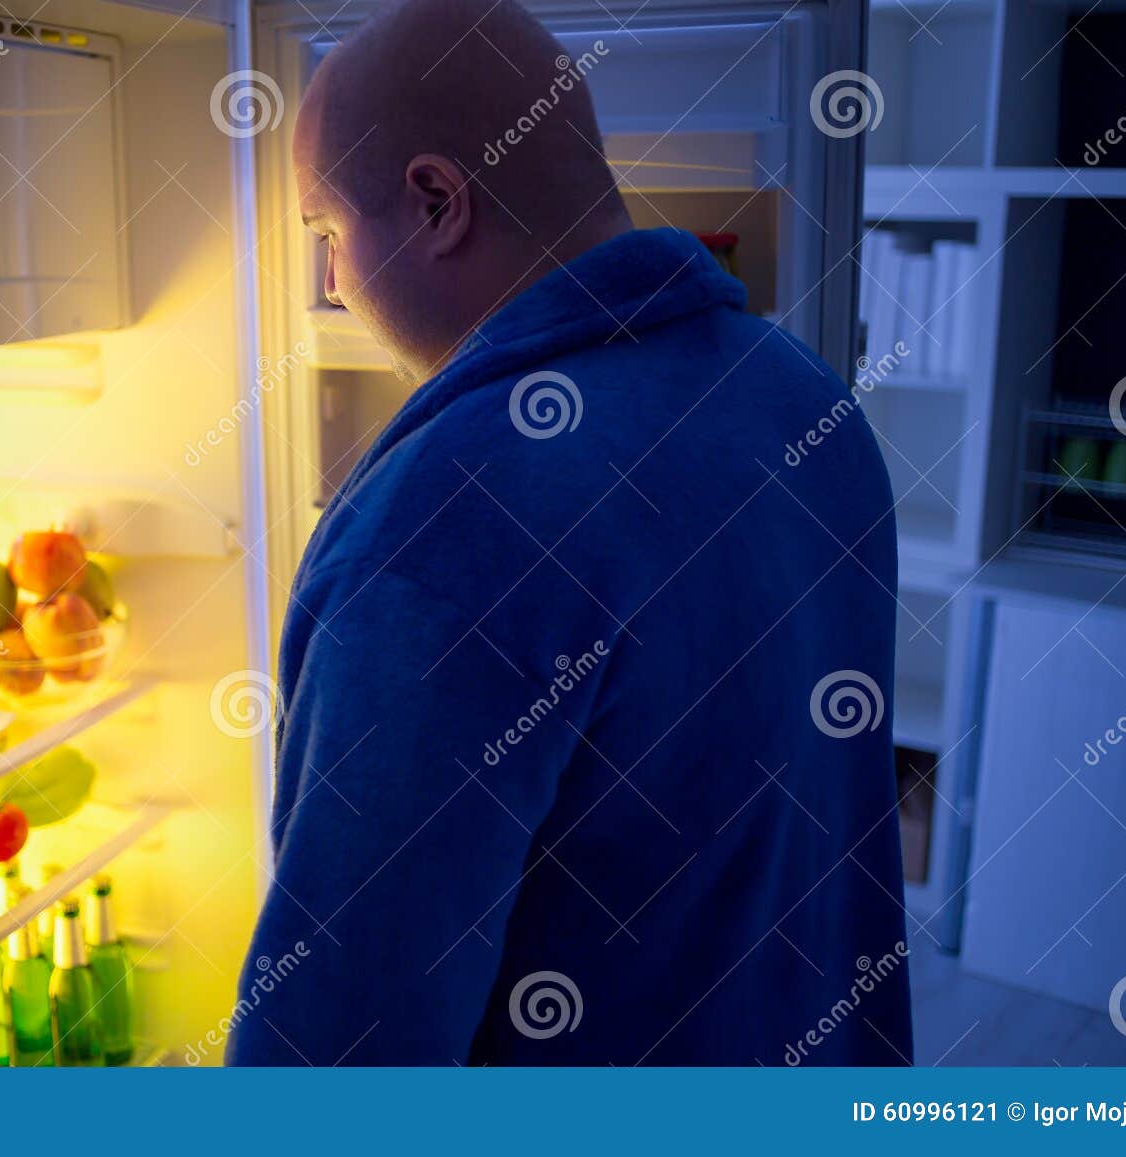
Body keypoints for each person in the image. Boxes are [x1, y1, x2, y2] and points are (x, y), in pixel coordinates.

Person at [227, 0, 912, 1065]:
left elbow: (338, 1042)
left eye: (327, 231)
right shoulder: (801, 398)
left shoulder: (443, 527)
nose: (331, 283)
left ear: (435, 201)